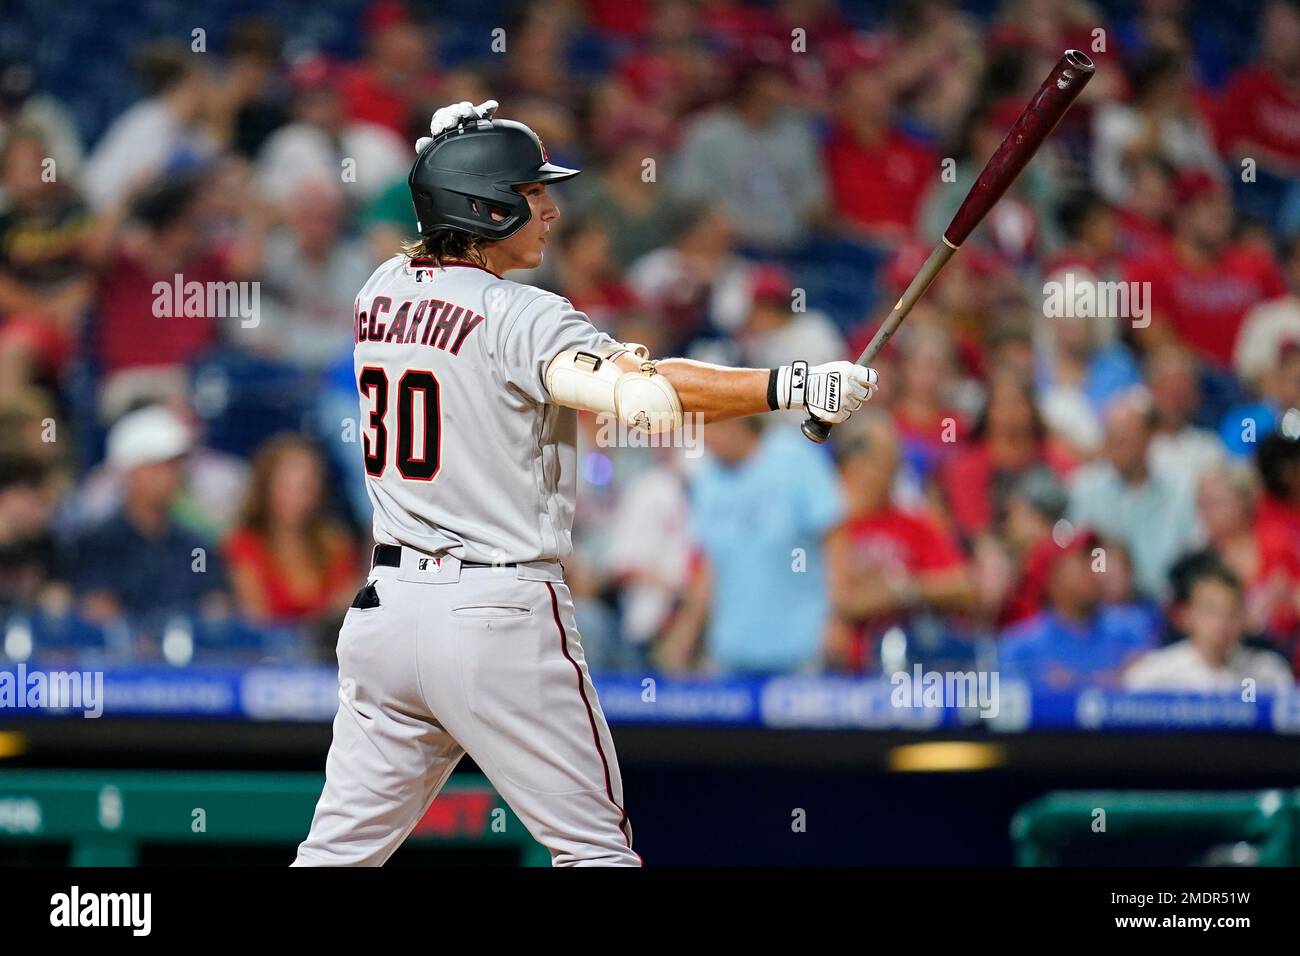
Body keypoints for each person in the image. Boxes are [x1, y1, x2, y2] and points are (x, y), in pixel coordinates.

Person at [294, 101, 880, 868]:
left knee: (335, 858)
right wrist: (791, 383)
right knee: (595, 852)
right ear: (486, 205)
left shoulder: (381, 288)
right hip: (495, 612)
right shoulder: (524, 315)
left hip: (385, 613)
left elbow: (433, 262)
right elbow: (641, 399)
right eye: (531, 193)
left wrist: (448, 151)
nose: (552, 209)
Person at [824, 412, 973, 673]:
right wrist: (859, 597)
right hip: (828, 663)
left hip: (901, 665)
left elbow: (964, 586)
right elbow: (839, 599)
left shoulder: (913, 523)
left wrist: (906, 589)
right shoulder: (822, 521)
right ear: (855, 463)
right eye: (887, 460)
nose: (895, 470)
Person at [60, 405, 229, 629]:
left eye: (175, 467)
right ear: (130, 472)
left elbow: (215, 611)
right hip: (121, 663)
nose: (171, 477)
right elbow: (99, 614)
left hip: (188, 660)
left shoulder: (196, 547)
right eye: (158, 467)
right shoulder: (96, 544)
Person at [998, 528, 1156, 690]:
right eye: (1084, 561)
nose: (1096, 571)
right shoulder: (1021, 647)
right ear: (1052, 577)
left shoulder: (1131, 628)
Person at [224, 435, 358, 626]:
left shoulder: (335, 543)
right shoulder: (244, 544)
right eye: (287, 487)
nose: (298, 499)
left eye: (306, 488)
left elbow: (347, 609)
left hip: (327, 653)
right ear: (266, 488)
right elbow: (257, 620)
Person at [1124, 556, 1294, 691]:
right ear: (1188, 616)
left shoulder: (1269, 674)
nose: (1222, 621)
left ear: (1243, 617)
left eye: (1231, 612)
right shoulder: (1154, 675)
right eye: (1211, 611)